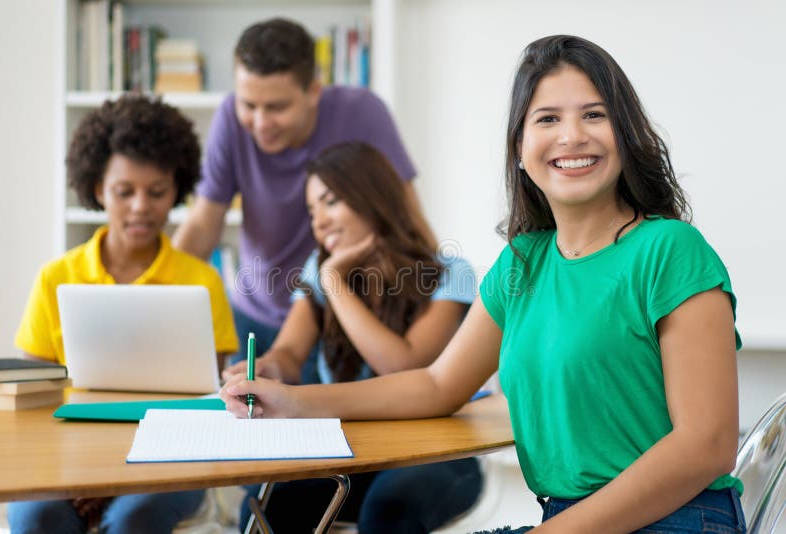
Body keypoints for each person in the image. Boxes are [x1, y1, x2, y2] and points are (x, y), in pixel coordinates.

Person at [222, 35, 747, 533]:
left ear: (626, 136)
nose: (572, 136)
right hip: (570, 517)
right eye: (547, 119)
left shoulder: (670, 250)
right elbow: (435, 385)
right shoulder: (522, 264)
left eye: (594, 115)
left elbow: (707, 444)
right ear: (520, 147)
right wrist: (294, 401)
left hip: (681, 518)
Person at [219, 141, 481, 533]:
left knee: (391, 508)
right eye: (312, 210)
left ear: (372, 197)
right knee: (266, 506)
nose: (319, 222)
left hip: (433, 455)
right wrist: (264, 368)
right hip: (351, 453)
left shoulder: (450, 272)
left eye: (331, 202)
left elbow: (402, 365)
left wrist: (334, 283)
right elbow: (289, 353)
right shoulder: (319, 268)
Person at [10, 94, 239, 534]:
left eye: (157, 192)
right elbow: (31, 398)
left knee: (136, 516)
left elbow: (203, 402)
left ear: (177, 190)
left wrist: (115, 477)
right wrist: (79, 471)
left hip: (170, 455)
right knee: (39, 516)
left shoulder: (201, 282)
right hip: (67, 452)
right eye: (124, 191)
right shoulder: (56, 278)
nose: (140, 206)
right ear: (98, 188)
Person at [172, 18, 434, 379]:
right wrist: (160, 299)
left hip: (340, 314)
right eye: (248, 104)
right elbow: (203, 223)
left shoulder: (363, 112)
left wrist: (430, 291)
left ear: (314, 91)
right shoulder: (230, 120)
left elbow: (405, 213)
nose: (260, 123)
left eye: (277, 107)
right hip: (259, 311)